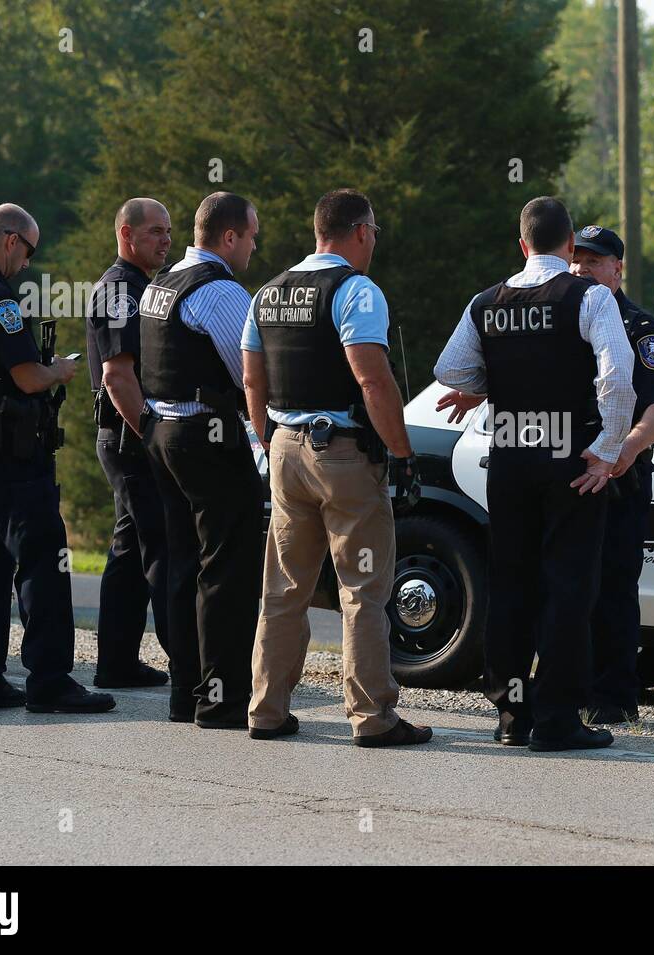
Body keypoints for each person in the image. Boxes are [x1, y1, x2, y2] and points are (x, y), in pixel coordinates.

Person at [434, 196, 635, 752]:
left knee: (512, 584)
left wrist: (493, 380)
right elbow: (618, 381)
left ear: (521, 245)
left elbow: (449, 369)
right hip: (571, 462)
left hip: (510, 459)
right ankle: (557, 719)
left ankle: (510, 715)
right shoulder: (590, 296)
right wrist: (607, 448)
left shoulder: (488, 301)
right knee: (570, 587)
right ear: (570, 246)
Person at [243, 188, 431, 747]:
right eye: (373, 231)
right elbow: (372, 379)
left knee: (283, 589)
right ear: (360, 231)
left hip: (284, 451)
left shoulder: (269, 293)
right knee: (363, 588)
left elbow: (252, 381)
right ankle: (373, 717)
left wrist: (266, 441)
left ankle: (267, 710)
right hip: (344, 456)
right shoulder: (357, 291)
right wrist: (401, 453)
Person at [0, 203, 114, 713]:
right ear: (10, 240)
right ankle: (51, 681)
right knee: (43, 557)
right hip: (9, 444)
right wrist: (57, 370)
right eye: (28, 251)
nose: (28, 263)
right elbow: (27, 377)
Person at [138, 192, 263, 729]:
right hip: (207, 438)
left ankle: (184, 694)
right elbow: (251, 375)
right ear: (229, 237)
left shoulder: (161, 285)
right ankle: (221, 701)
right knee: (228, 571)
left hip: (162, 433)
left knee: (182, 565)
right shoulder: (219, 291)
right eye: (252, 236)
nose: (255, 247)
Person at [569, 225, 654, 723]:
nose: (582, 269)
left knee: (613, 586)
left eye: (594, 261)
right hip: (568, 472)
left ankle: (612, 697)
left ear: (618, 268)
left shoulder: (643, 331)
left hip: (619, 476)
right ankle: (567, 689)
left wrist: (625, 450)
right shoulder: (562, 319)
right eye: (576, 259)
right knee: (568, 582)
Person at [85, 197, 173, 689]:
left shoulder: (140, 286)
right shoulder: (120, 290)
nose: (165, 240)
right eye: (155, 231)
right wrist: (153, 435)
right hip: (131, 436)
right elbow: (118, 377)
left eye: (168, 231)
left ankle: (115, 663)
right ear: (126, 234)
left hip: (128, 435)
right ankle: (187, 661)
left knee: (129, 547)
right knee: (161, 545)